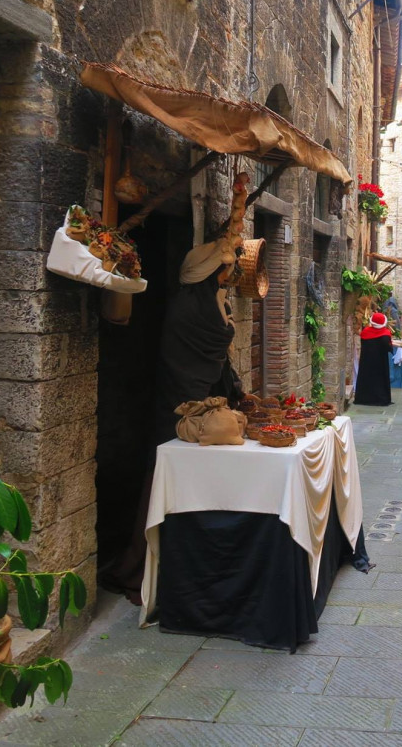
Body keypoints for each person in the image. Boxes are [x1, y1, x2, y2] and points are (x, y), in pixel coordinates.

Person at [101, 238, 242, 603]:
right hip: (179, 407)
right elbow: (211, 345)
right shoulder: (192, 309)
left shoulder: (206, 302)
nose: (230, 275)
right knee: (165, 484)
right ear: (211, 273)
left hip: (194, 403)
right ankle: (145, 566)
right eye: (225, 269)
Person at [354, 312, 394, 406]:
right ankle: (380, 399)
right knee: (380, 380)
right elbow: (388, 347)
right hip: (380, 362)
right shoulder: (385, 334)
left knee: (366, 378)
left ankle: (363, 399)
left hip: (366, 361)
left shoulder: (365, 332)